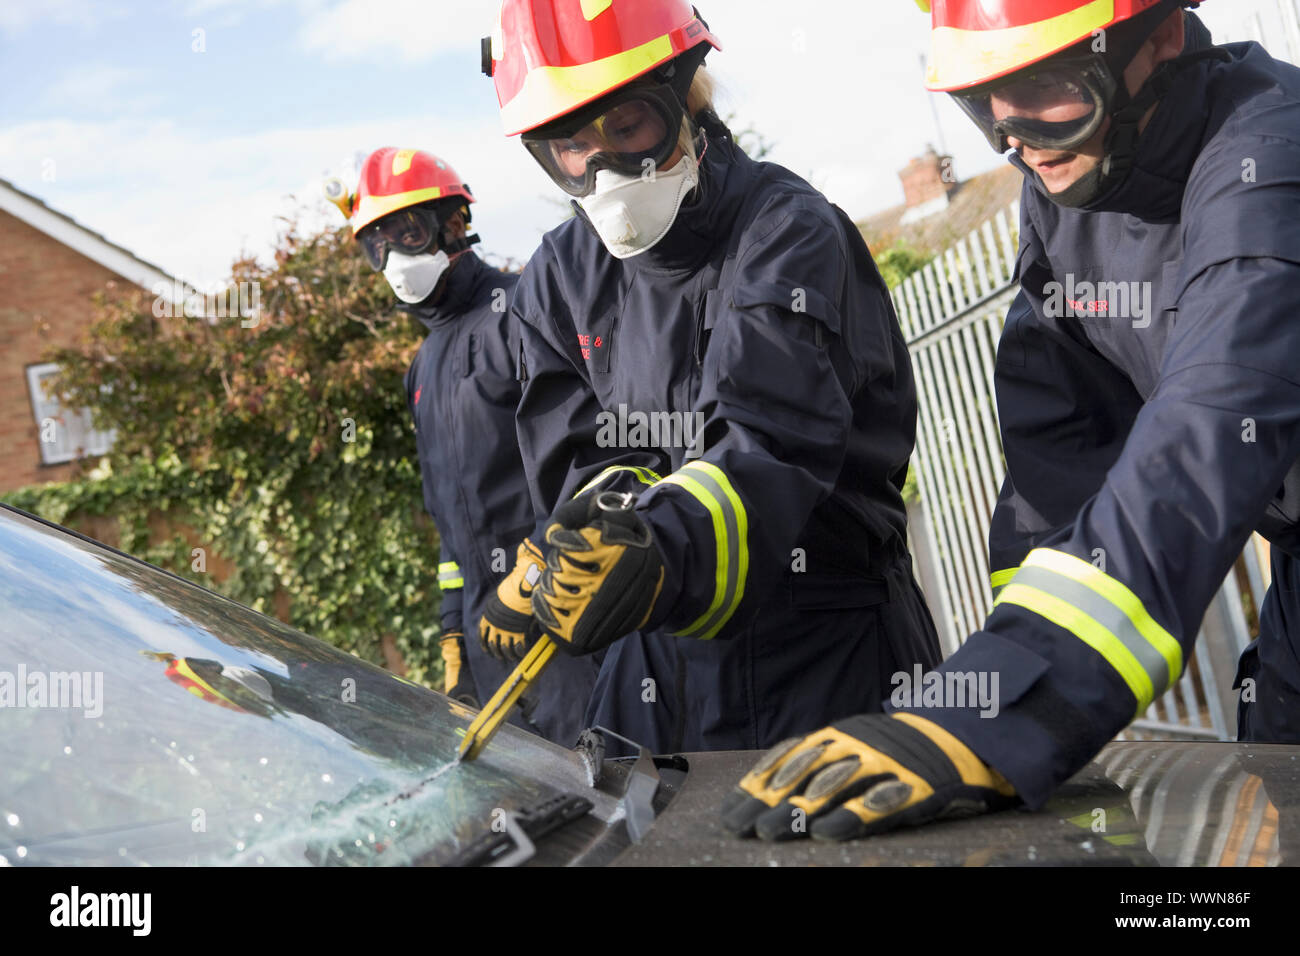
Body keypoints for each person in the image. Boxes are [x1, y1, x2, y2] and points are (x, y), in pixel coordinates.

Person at [722, 0, 1300, 842]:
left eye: (1045, 85)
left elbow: (1210, 423)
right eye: (984, 99)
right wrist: (1001, 698)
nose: (1010, 135)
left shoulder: (1272, 159)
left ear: (1162, 37)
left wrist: (1001, 723)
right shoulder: (1073, 185)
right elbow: (1057, 459)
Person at [478, 0, 941, 756]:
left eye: (627, 129)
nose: (604, 171)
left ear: (687, 97)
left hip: (834, 657)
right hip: (652, 680)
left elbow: (768, 436)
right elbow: (578, 471)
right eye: (570, 147)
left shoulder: (785, 229)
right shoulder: (556, 281)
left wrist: (662, 548)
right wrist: (580, 553)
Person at [330, 147, 599, 744]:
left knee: (610, 794)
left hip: (571, 626)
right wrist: (454, 631)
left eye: (408, 232)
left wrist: (533, 576)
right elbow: (450, 525)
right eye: (378, 244)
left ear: (454, 224)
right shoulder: (422, 368)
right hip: (489, 645)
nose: (396, 256)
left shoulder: (524, 310)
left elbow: (593, 465)